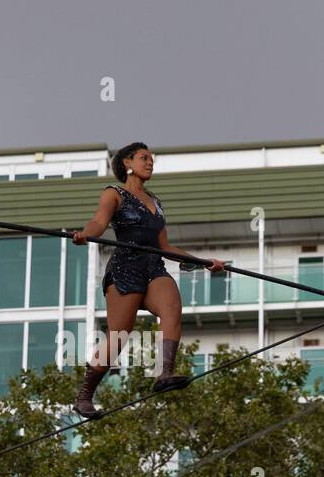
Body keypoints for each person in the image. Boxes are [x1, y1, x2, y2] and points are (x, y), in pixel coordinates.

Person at [69, 142, 225, 419]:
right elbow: (98, 222)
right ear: (128, 163)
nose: (150, 163)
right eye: (144, 158)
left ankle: (164, 373)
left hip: (153, 266)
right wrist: (85, 234)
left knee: (172, 305)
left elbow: (165, 246)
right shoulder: (113, 193)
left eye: (152, 159)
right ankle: (84, 397)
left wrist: (203, 262)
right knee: (119, 336)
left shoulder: (156, 202)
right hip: (125, 268)